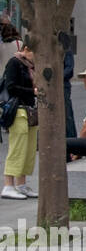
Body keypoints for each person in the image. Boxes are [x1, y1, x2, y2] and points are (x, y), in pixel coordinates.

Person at [2, 39, 38, 199]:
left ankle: (21, 183)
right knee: (18, 147)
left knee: (29, 149)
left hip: (30, 110)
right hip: (18, 110)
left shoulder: (30, 66)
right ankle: (8, 184)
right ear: (27, 49)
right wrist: (33, 91)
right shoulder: (14, 63)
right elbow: (11, 87)